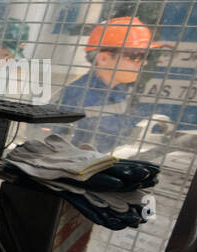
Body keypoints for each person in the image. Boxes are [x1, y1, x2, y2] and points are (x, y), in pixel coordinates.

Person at [55, 16, 166, 154]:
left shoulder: (122, 91)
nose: (143, 63)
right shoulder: (78, 96)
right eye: (136, 56)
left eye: (145, 56)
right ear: (103, 58)